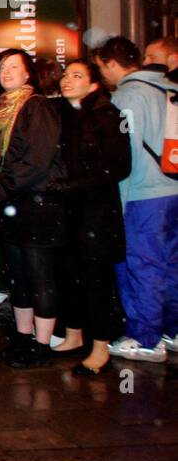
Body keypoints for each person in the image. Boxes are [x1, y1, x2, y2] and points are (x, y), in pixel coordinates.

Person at [0, 50, 65, 368]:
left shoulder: (37, 106)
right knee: (18, 277)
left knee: (39, 276)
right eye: (2, 67)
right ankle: (23, 339)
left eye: (14, 66)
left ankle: (42, 345)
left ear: (28, 74)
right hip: (13, 204)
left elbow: (35, 162)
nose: (6, 71)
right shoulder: (1, 110)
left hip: (38, 203)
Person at [94, 37, 178, 362]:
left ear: (112, 64)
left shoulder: (128, 95)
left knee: (140, 265)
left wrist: (119, 203)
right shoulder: (166, 89)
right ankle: (170, 330)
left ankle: (144, 337)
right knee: (169, 264)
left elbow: (124, 152)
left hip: (142, 193)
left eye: (101, 67)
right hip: (170, 187)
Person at [50, 59, 131, 375]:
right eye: (66, 74)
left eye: (77, 75)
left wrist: (73, 183)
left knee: (97, 280)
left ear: (94, 84)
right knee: (69, 274)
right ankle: (73, 334)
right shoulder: (62, 115)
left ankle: (101, 349)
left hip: (96, 211)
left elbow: (119, 166)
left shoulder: (108, 117)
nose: (67, 79)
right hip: (68, 209)